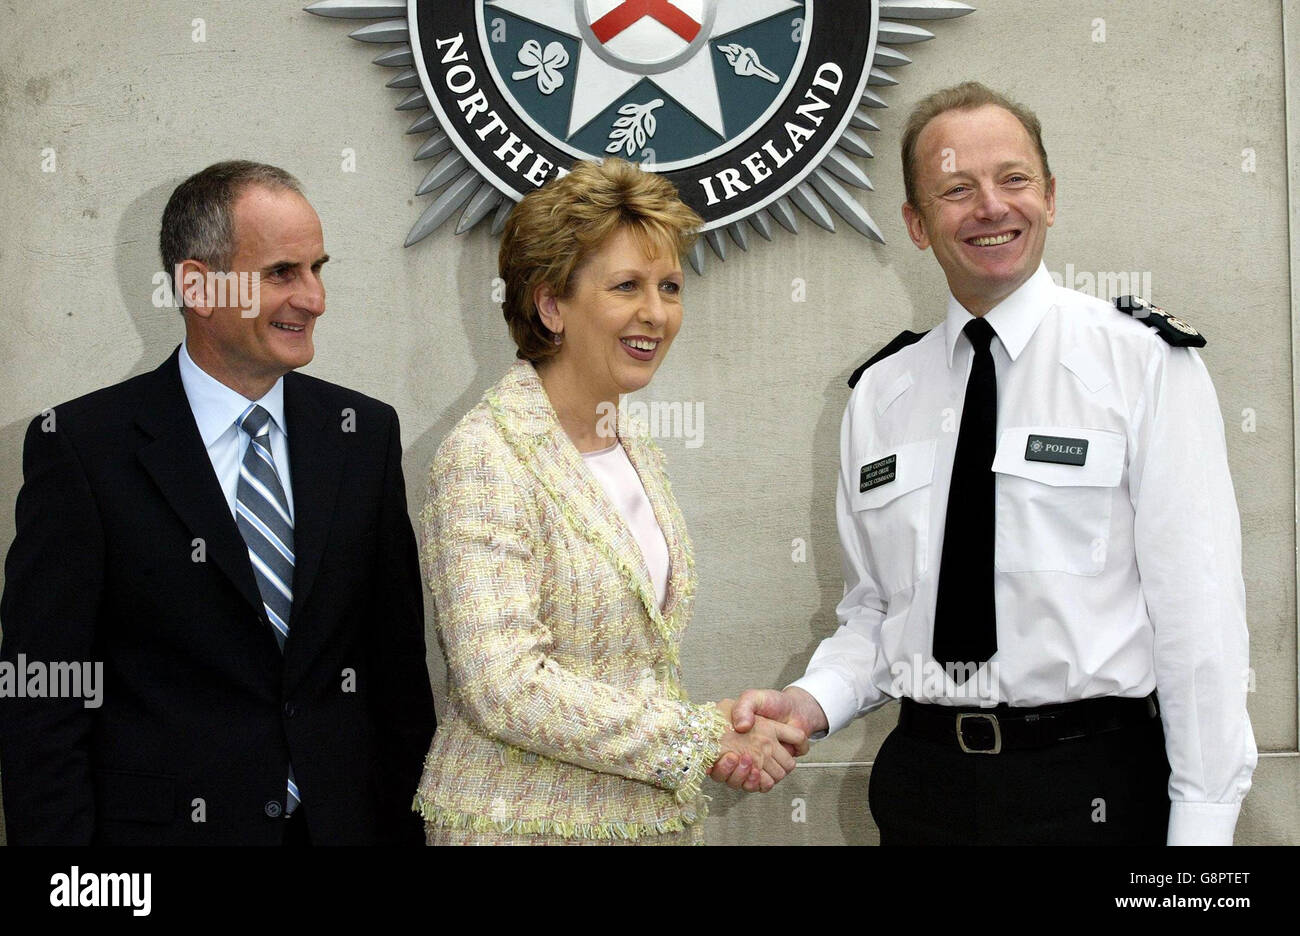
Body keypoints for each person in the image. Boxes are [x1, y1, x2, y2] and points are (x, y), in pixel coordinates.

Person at [727, 82, 1256, 845]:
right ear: (917, 224)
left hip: (1095, 790)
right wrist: (810, 703)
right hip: (924, 789)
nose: (991, 206)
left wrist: (1201, 834)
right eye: (956, 189)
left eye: (1013, 179)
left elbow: (1199, 616)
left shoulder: (1140, 363)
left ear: (1050, 197)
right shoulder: (881, 394)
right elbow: (876, 613)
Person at [0, 161, 436, 845]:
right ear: (198, 287)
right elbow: (43, 700)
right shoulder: (84, 449)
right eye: (282, 273)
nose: (315, 298)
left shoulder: (363, 434)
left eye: (317, 269)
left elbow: (398, 676)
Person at [413, 158, 806, 845]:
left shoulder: (631, 442)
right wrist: (700, 737)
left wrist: (716, 736)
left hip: (643, 825)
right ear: (551, 305)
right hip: (518, 830)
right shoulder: (485, 455)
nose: (656, 313)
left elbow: (635, 664)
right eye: (627, 286)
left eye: (669, 287)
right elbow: (502, 686)